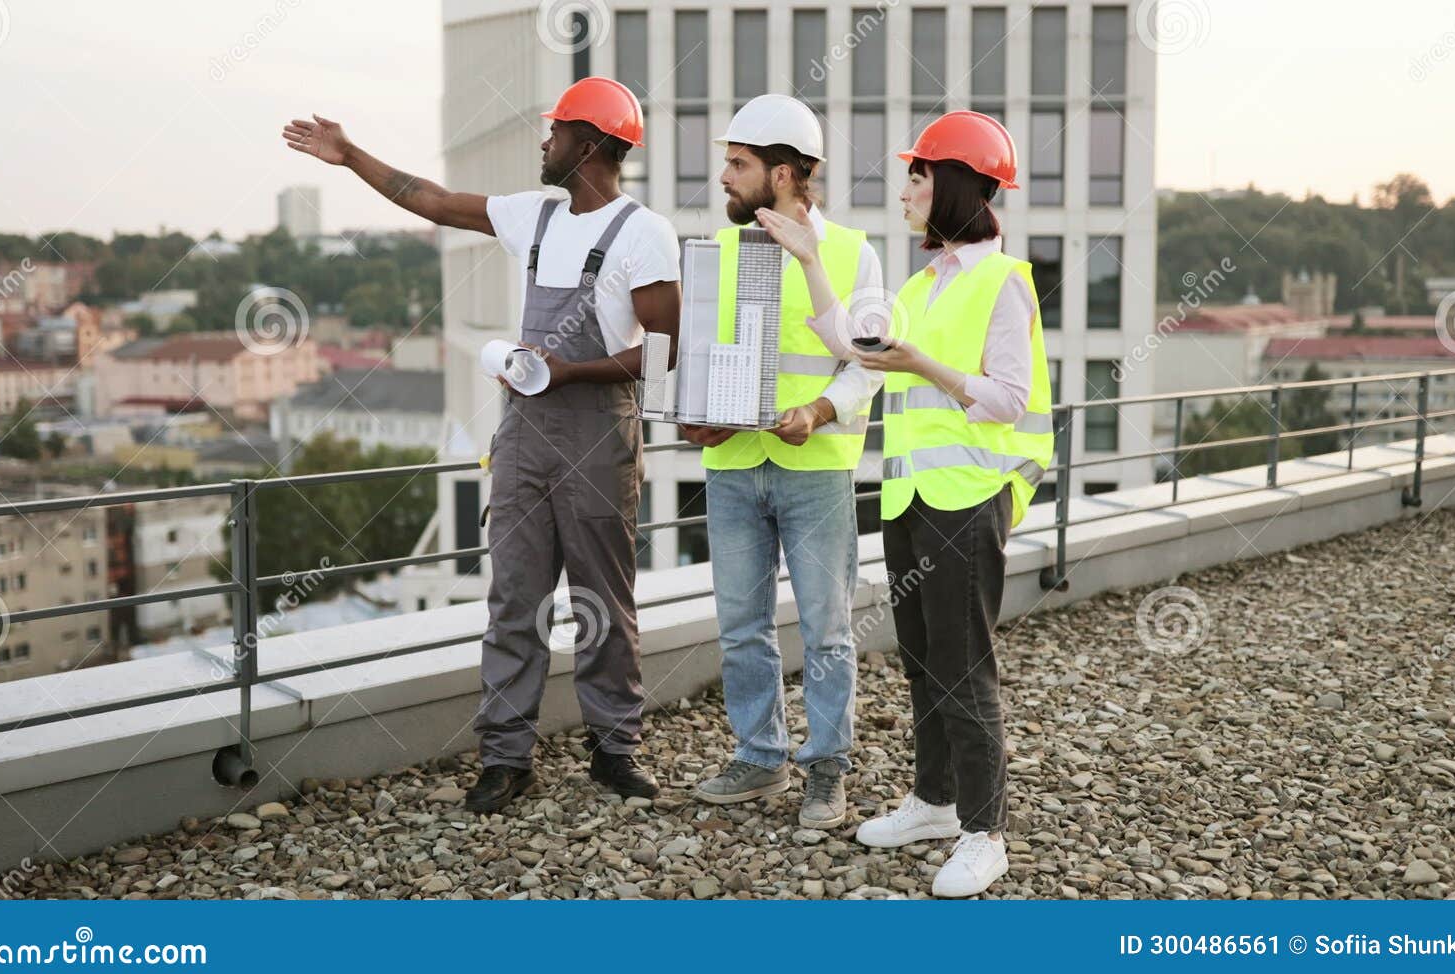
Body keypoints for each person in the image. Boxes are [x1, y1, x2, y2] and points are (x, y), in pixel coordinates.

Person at [282, 77, 681, 814]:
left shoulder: (643, 233)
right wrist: (348, 156)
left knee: (603, 596)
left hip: (600, 430)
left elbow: (663, 354)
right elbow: (429, 200)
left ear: (587, 145)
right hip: (525, 431)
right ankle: (506, 759)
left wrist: (568, 369)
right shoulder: (533, 215)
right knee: (513, 598)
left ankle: (616, 750)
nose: (544, 141)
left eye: (555, 131)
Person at [755, 110, 1053, 895]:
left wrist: (923, 363)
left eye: (918, 176)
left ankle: (986, 832)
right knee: (924, 661)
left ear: (954, 183)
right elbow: (854, 347)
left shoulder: (1003, 280)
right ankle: (934, 802)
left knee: (965, 667)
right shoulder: (923, 282)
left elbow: (1009, 401)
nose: (907, 190)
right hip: (913, 497)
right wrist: (813, 259)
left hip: (969, 496)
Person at [684, 94, 884, 830]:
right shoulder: (721, 246)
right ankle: (760, 758)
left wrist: (819, 412)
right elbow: (705, 358)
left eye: (738, 164)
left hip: (816, 471)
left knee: (828, 630)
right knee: (740, 625)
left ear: (786, 174)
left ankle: (825, 770)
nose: (725, 178)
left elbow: (870, 368)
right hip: (733, 467)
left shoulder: (853, 252)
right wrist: (696, 415)